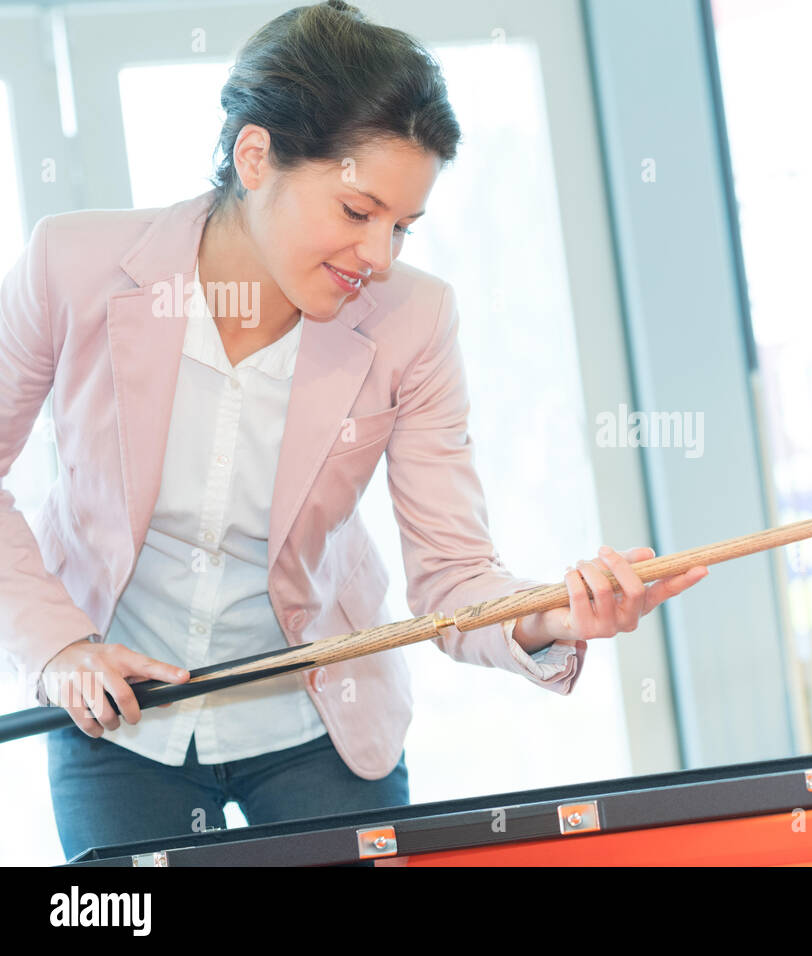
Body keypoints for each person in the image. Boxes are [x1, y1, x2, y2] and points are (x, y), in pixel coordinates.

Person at [0, 0, 707, 861]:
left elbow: (452, 575)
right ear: (255, 156)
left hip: (321, 725)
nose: (380, 256)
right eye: (357, 210)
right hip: (117, 725)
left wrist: (549, 619)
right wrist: (61, 647)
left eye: (402, 226)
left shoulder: (415, 320)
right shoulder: (69, 266)